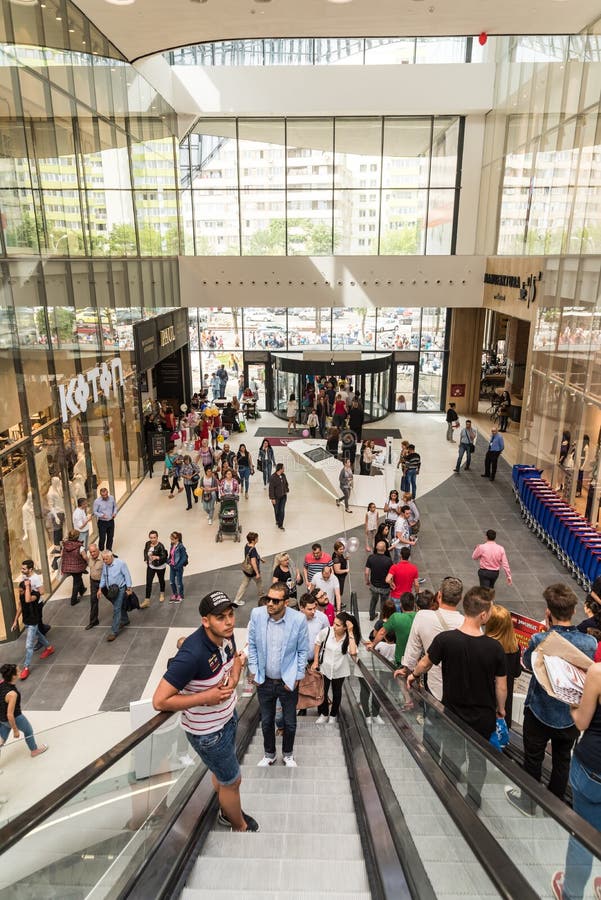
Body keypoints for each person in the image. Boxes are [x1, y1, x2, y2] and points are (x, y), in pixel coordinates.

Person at [152, 590, 258, 833]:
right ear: (205, 621)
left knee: (223, 775)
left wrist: (233, 679)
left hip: (228, 719)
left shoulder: (227, 637)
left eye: (230, 615)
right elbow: (159, 701)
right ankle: (239, 826)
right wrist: (205, 697)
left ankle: (225, 811)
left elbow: (236, 662)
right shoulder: (192, 654)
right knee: (233, 780)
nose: (229, 621)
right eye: (220, 617)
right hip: (208, 733)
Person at [408, 586, 507, 808]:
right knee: (478, 759)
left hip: (452, 710)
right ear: (483, 615)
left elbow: (425, 662)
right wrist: (501, 708)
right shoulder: (494, 647)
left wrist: (412, 676)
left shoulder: (446, 640)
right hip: (483, 715)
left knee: (452, 751)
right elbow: (501, 686)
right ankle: (474, 798)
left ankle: (449, 787)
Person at [506, 583, 597, 816]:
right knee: (562, 760)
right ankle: (555, 806)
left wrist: (545, 631)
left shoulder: (539, 639)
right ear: (573, 610)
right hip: (569, 716)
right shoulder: (590, 643)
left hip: (539, 711)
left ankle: (529, 803)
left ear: (549, 612)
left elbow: (526, 664)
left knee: (533, 758)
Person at [552, 662, 601, 900]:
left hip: (593, 769)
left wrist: (573, 705)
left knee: (583, 837)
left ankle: (571, 895)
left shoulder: (598, 672)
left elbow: (581, 722)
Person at [248, 581, 309, 768]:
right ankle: (269, 754)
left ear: (286, 602)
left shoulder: (298, 620)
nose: (270, 604)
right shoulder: (257, 615)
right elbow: (252, 644)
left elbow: (302, 651)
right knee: (266, 722)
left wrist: (297, 677)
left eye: (275, 601)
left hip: (287, 682)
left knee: (289, 723)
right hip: (264, 681)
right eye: (268, 599)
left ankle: (288, 754)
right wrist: (253, 671)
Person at [398, 576, 464, 700]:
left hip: (435, 687)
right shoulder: (465, 623)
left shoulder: (422, 616)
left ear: (439, 595)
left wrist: (406, 669)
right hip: (459, 690)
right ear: (459, 599)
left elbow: (413, 649)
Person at [313, 612, 360, 724]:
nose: (334, 626)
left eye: (338, 625)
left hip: (340, 670)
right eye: (334, 623)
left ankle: (333, 715)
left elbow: (353, 652)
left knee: (337, 693)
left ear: (345, 627)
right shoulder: (327, 631)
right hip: (325, 668)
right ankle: (324, 714)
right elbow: (317, 642)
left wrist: (350, 631)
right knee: (323, 692)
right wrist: (315, 661)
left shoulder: (349, 638)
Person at [12, 560, 54, 681]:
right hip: (27, 619)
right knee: (38, 633)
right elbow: (21, 604)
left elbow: (31, 598)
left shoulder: (34, 589)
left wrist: (28, 588)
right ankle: (49, 648)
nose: (22, 571)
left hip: (34, 614)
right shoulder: (24, 585)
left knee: (29, 645)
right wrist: (15, 621)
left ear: (30, 569)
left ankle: (26, 667)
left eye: (24, 569)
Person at [484, 604, 522, 726]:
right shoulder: (515, 648)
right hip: (505, 703)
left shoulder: (485, 647)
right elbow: (517, 673)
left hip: (485, 700)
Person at [0, 664, 47, 757]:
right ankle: (34, 750)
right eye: (18, 671)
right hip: (15, 718)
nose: (20, 671)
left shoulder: (1, 683)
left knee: (1, 739)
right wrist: (15, 730)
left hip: (2, 718)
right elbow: (10, 714)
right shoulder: (12, 694)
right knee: (28, 731)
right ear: (13, 676)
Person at [367, 592, 417, 667]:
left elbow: (382, 632)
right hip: (415, 659)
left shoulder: (396, 617)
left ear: (401, 605)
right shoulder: (419, 616)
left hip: (401, 659)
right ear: (414, 605)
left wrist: (373, 644)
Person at [98, 550, 133, 642]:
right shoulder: (105, 565)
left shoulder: (121, 564)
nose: (105, 561)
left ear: (111, 557)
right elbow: (103, 577)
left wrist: (129, 587)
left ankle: (114, 632)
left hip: (121, 589)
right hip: (111, 590)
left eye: (106, 559)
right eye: (103, 559)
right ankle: (125, 620)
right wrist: (100, 589)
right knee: (118, 606)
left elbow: (127, 575)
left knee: (116, 609)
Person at [365, 540, 393, 620]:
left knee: (373, 600)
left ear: (376, 548)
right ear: (385, 549)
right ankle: (382, 618)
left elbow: (366, 572)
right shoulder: (388, 560)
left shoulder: (371, 558)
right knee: (383, 604)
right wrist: (391, 583)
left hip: (374, 585)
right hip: (385, 587)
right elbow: (391, 575)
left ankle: (372, 615)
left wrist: (367, 581)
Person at [60, 528, 88, 607]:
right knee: (76, 582)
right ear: (77, 537)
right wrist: (88, 561)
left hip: (68, 567)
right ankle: (73, 600)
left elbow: (62, 555)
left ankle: (82, 590)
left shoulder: (65, 545)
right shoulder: (80, 547)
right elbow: (85, 556)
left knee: (77, 578)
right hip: (78, 567)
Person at [235, 531, 263, 606]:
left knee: (244, 584)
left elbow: (251, 556)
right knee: (259, 582)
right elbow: (253, 562)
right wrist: (257, 573)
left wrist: (260, 559)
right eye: (257, 538)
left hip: (247, 570)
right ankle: (261, 595)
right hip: (252, 571)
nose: (258, 539)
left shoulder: (247, 546)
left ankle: (237, 600)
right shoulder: (253, 549)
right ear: (253, 540)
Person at [142, 529, 168, 608]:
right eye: (151, 537)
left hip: (160, 567)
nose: (152, 539)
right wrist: (146, 558)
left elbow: (164, 556)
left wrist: (157, 557)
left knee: (161, 580)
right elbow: (145, 551)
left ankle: (162, 593)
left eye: (154, 537)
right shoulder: (147, 544)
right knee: (148, 582)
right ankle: (147, 600)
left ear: (157, 537)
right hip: (151, 566)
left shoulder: (160, 545)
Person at [86, 543, 104, 629]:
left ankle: (123, 616)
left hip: (103, 582)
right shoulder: (90, 557)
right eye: (91, 552)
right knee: (93, 601)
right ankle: (93, 621)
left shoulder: (104, 557)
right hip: (93, 582)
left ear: (98, 550)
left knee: (113, 598)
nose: (92, 554)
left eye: (94, 551)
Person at [93, 487, 117, 552]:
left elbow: (115, 506)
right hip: (102, 522)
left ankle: (109, 552)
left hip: (111, 521)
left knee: (110, 537)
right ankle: (101, 552)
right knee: (102, 538)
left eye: (106, 494)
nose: (105, 496)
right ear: (100, 495)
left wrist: (114, 513)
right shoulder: (97, 501)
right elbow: (95, 511)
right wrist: (101, 515)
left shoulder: (111, 498)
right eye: (103, 495)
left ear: (107, 492)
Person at [168, 531, 188, 604]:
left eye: (173, 539)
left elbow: (184, 558)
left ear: (177, 539)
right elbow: (170, 556)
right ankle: (175, 594)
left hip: (178, 567)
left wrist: (178, 565)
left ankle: (180, 595)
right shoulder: (172, 545)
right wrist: (169, 562)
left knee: (179, 582)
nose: (171, 540)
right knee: (171, 581)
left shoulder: (181, 547)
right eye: (171, 539)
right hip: (172, 566)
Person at [268, 463, 289, 531]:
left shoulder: (283, 475)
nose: (284, 469)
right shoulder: (273, 477)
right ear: (280, 469)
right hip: (276, 497)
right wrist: (272, 498)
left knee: (282, 510)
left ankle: (281, 525)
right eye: (283, 468)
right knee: (277, 510)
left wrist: (286, 489)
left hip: (283, 496)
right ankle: (277, 520)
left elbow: (286, 483)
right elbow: (271, 489)